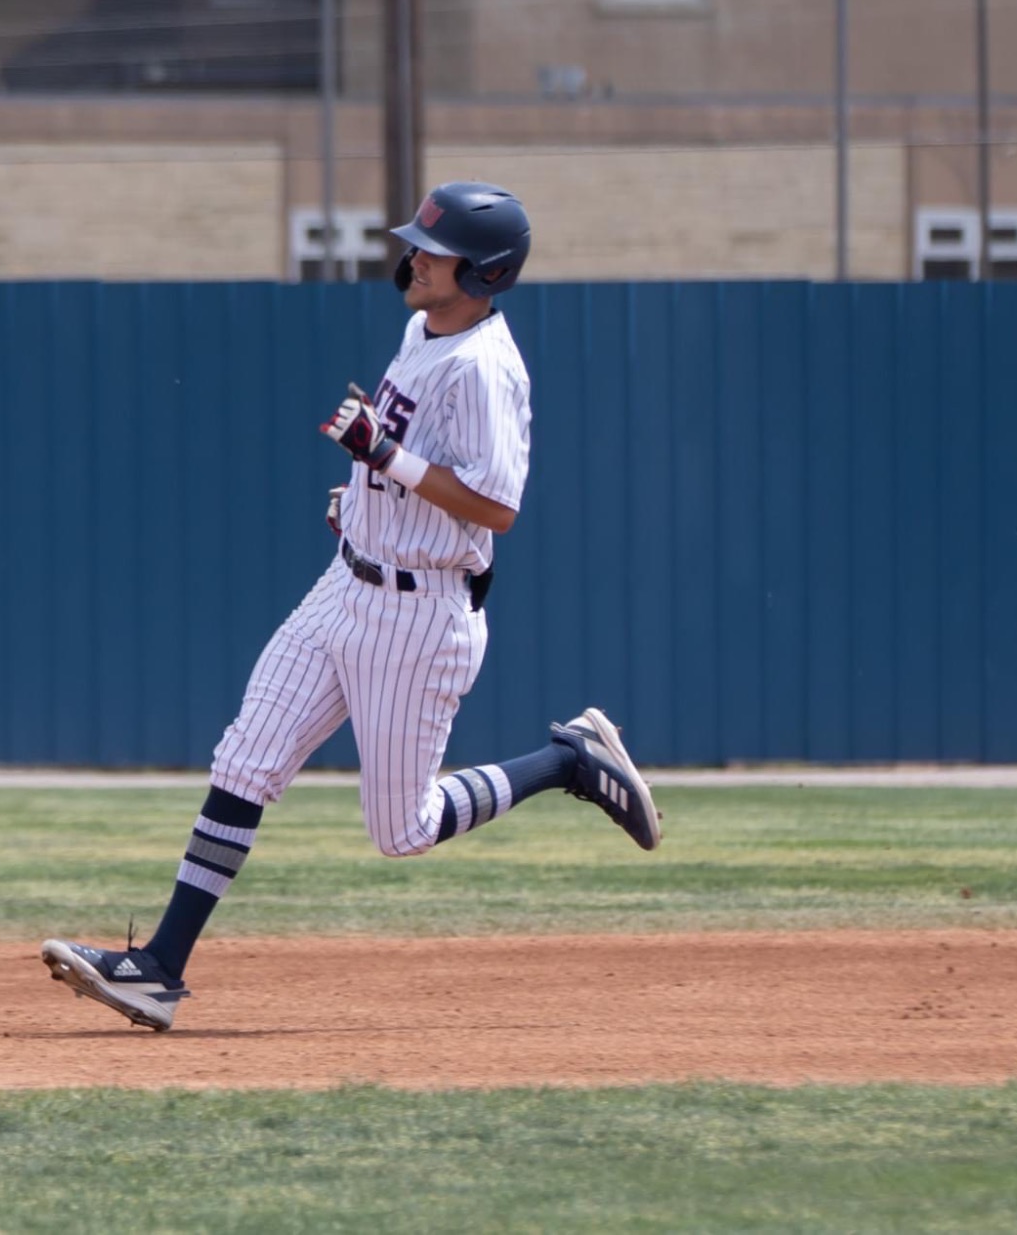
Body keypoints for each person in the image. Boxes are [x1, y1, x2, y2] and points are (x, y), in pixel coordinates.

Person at [41, 181, 660, 1031]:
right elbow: (408, 462)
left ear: (483, 271)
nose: (414, 258)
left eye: (434, 252)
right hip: (346, 581)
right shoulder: (422, 329)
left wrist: (388, 457)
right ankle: (157, 969)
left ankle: (567, 761)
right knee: (244, 761)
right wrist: (368, 493)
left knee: (401, 830)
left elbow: (498, 506)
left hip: (420, 615)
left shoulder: (485, 368)